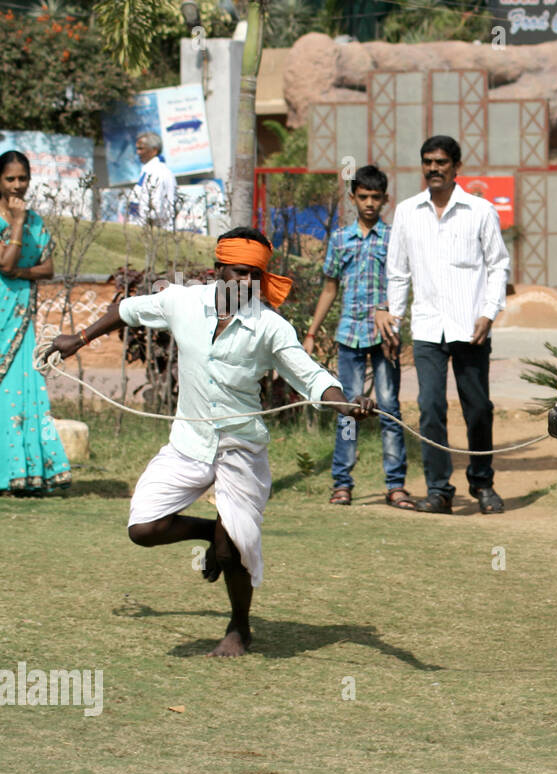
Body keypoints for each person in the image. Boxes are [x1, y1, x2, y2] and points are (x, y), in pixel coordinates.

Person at [44, 227, 376, 658]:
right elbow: (126, 309)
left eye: (254, 275)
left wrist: (345, 405)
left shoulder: (269, 327)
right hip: (189, 442)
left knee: (233, 545)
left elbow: (310, 376)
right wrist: (77, 340)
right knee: (143, 529)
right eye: (236, 272)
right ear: (217, 270)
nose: (244, 282)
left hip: (240, 448)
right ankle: (211, 532)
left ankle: (240, 626)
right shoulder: (182, 301)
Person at [383, 135, 510, 515]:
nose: (433, 169)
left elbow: (498, 264)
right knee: (430, 408)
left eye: (440, 162)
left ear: (456, 167)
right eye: (427, 162)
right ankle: (439, 490)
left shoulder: (480, 211)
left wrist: (488, 312)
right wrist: (395, 317)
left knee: (478, 409)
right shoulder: (407, 212)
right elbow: (398, 272)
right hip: (426, 328)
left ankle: (483, 484)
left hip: (470, 327)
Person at [304, 164, 413, 509]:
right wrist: (311, 333)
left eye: (375, 197)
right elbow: (329, 288)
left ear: (385, 200)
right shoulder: (340, 239)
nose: (369, 203)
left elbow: (403, 285)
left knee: (390, 408)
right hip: (349, 335)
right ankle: (342, 483)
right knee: (347, 410)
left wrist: (396, 322)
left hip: (385, 338)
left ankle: (395, 485)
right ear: (353, 198)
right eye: (363, 196)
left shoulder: (395, 238)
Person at [0, 150, 70, 495]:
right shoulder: (14, 219)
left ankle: (25, 473)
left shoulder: (37, 222)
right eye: (10, 178)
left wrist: (20, 272)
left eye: (22, 179)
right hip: (1, 313)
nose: (17, 185)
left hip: (21, 319)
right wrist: (15, 224)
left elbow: (48, 268)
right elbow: (3, 262)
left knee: (26, 392)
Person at [128, 132, 177, 227]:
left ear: (154, 150)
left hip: (154, 231)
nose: (138, 152)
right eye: (137, 149)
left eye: (141, 149)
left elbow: (155, 207)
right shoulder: (148, 170)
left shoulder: (158, 172)